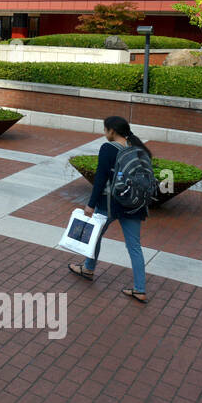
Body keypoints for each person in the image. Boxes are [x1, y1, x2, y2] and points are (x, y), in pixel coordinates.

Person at [67, 115, 151, 303]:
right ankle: (140, 289)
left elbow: (100, 179)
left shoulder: (108, 148)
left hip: (110, 204)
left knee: (95, 235)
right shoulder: (139, 149)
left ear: (112, 131)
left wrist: (91, 204)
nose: (104, 133)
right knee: (135, 247)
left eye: (105, 130)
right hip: (134, 204)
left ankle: (88, 268)